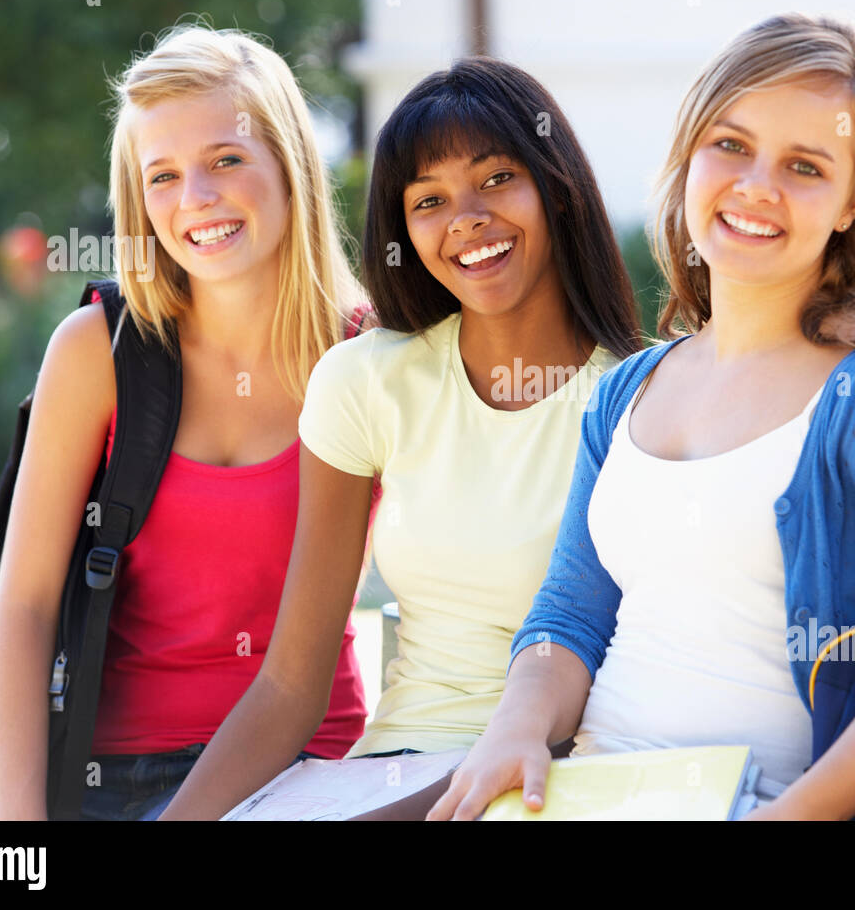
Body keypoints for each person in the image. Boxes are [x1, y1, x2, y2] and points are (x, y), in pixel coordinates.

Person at [428, 13, 855, 821]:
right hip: (586, 795)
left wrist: (794, 816)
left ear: (854, 201)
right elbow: (570, 616)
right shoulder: (627, 391)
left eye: (804, 165)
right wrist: (515, 727)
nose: (757, 185)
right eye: (731, 145)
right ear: (689, 151)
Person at [158, 56, 644, 820]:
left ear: (557, 185)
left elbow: (613, 682)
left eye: (496, 179)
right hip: (391, 768)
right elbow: (290, 683)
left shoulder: (642, 399)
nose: (466, 218)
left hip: (562, 775)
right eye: (429, 199)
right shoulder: (366, 380)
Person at [0, 24, 371, 820]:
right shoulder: (98, 352)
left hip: (314, 772)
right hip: (111, 783)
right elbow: (21, 609)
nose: (195, 199)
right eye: (163, 175)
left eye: (226, 159)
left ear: (289, 166)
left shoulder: (368, 358)